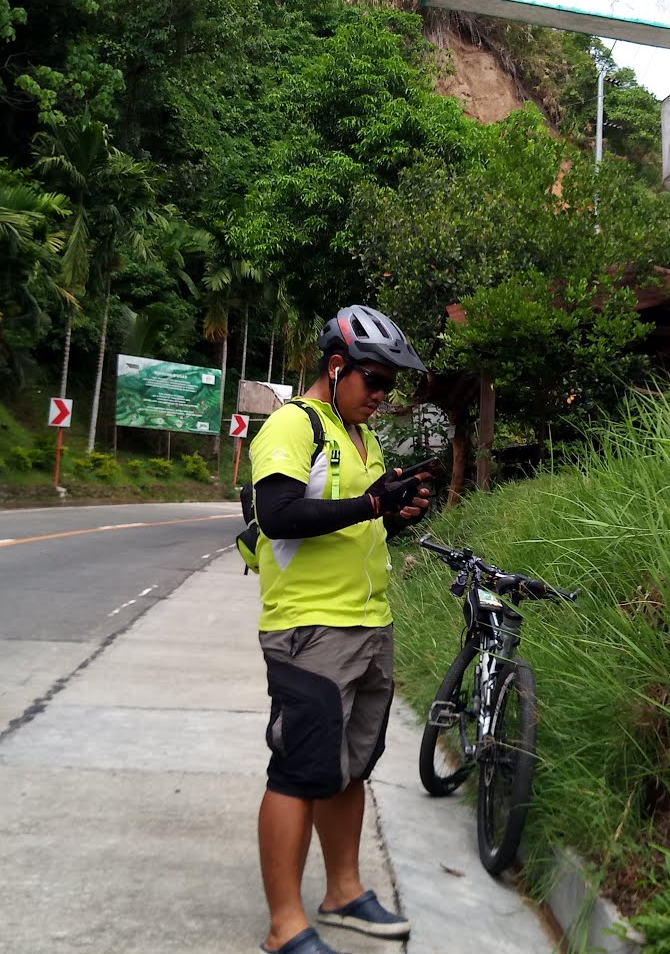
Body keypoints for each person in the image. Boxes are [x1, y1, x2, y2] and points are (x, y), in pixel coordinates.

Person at [246, 304, 436, 954]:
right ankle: (284, 926)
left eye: (390, 386)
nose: (382, 396)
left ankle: (344, 891)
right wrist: (371, 501)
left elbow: (358, 522)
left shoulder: (360, 436)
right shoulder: (293, 424)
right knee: (298, 770)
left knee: (351, 767)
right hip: (310, 629)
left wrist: (394, 511)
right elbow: (278, 514)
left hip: (369, 623)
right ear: (336, 366)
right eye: (374, 381)